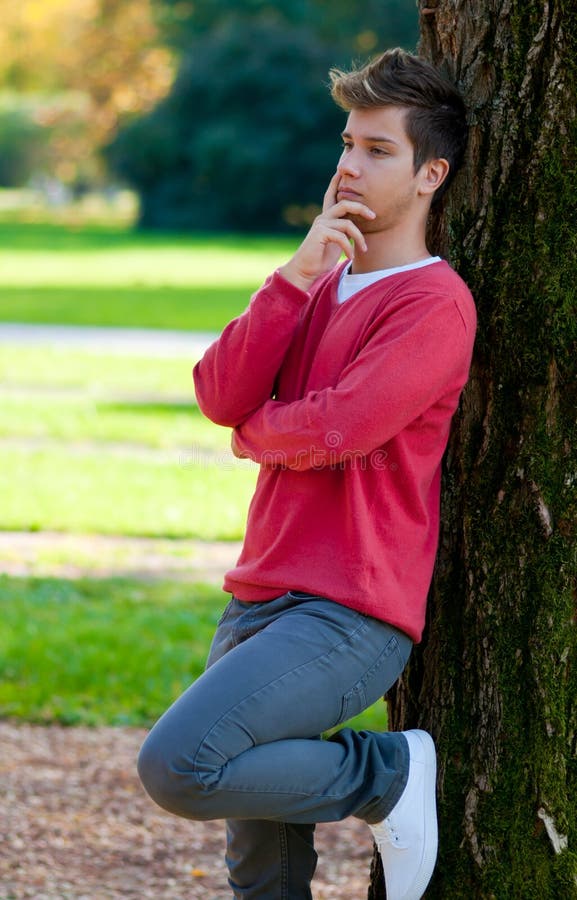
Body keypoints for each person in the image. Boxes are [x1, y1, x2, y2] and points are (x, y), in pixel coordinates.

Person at [137, 48, 476, 900]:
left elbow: (340, 427)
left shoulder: (434, 305)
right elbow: (219, 392)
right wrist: (294, 276)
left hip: (349, 613)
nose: (348, 166)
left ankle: (384, 775)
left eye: (377, 150)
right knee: (261, 866)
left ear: (431, 172)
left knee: (179, 766)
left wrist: (258, 434)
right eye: (346, 143)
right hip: (257, 596)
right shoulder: (318, 286)